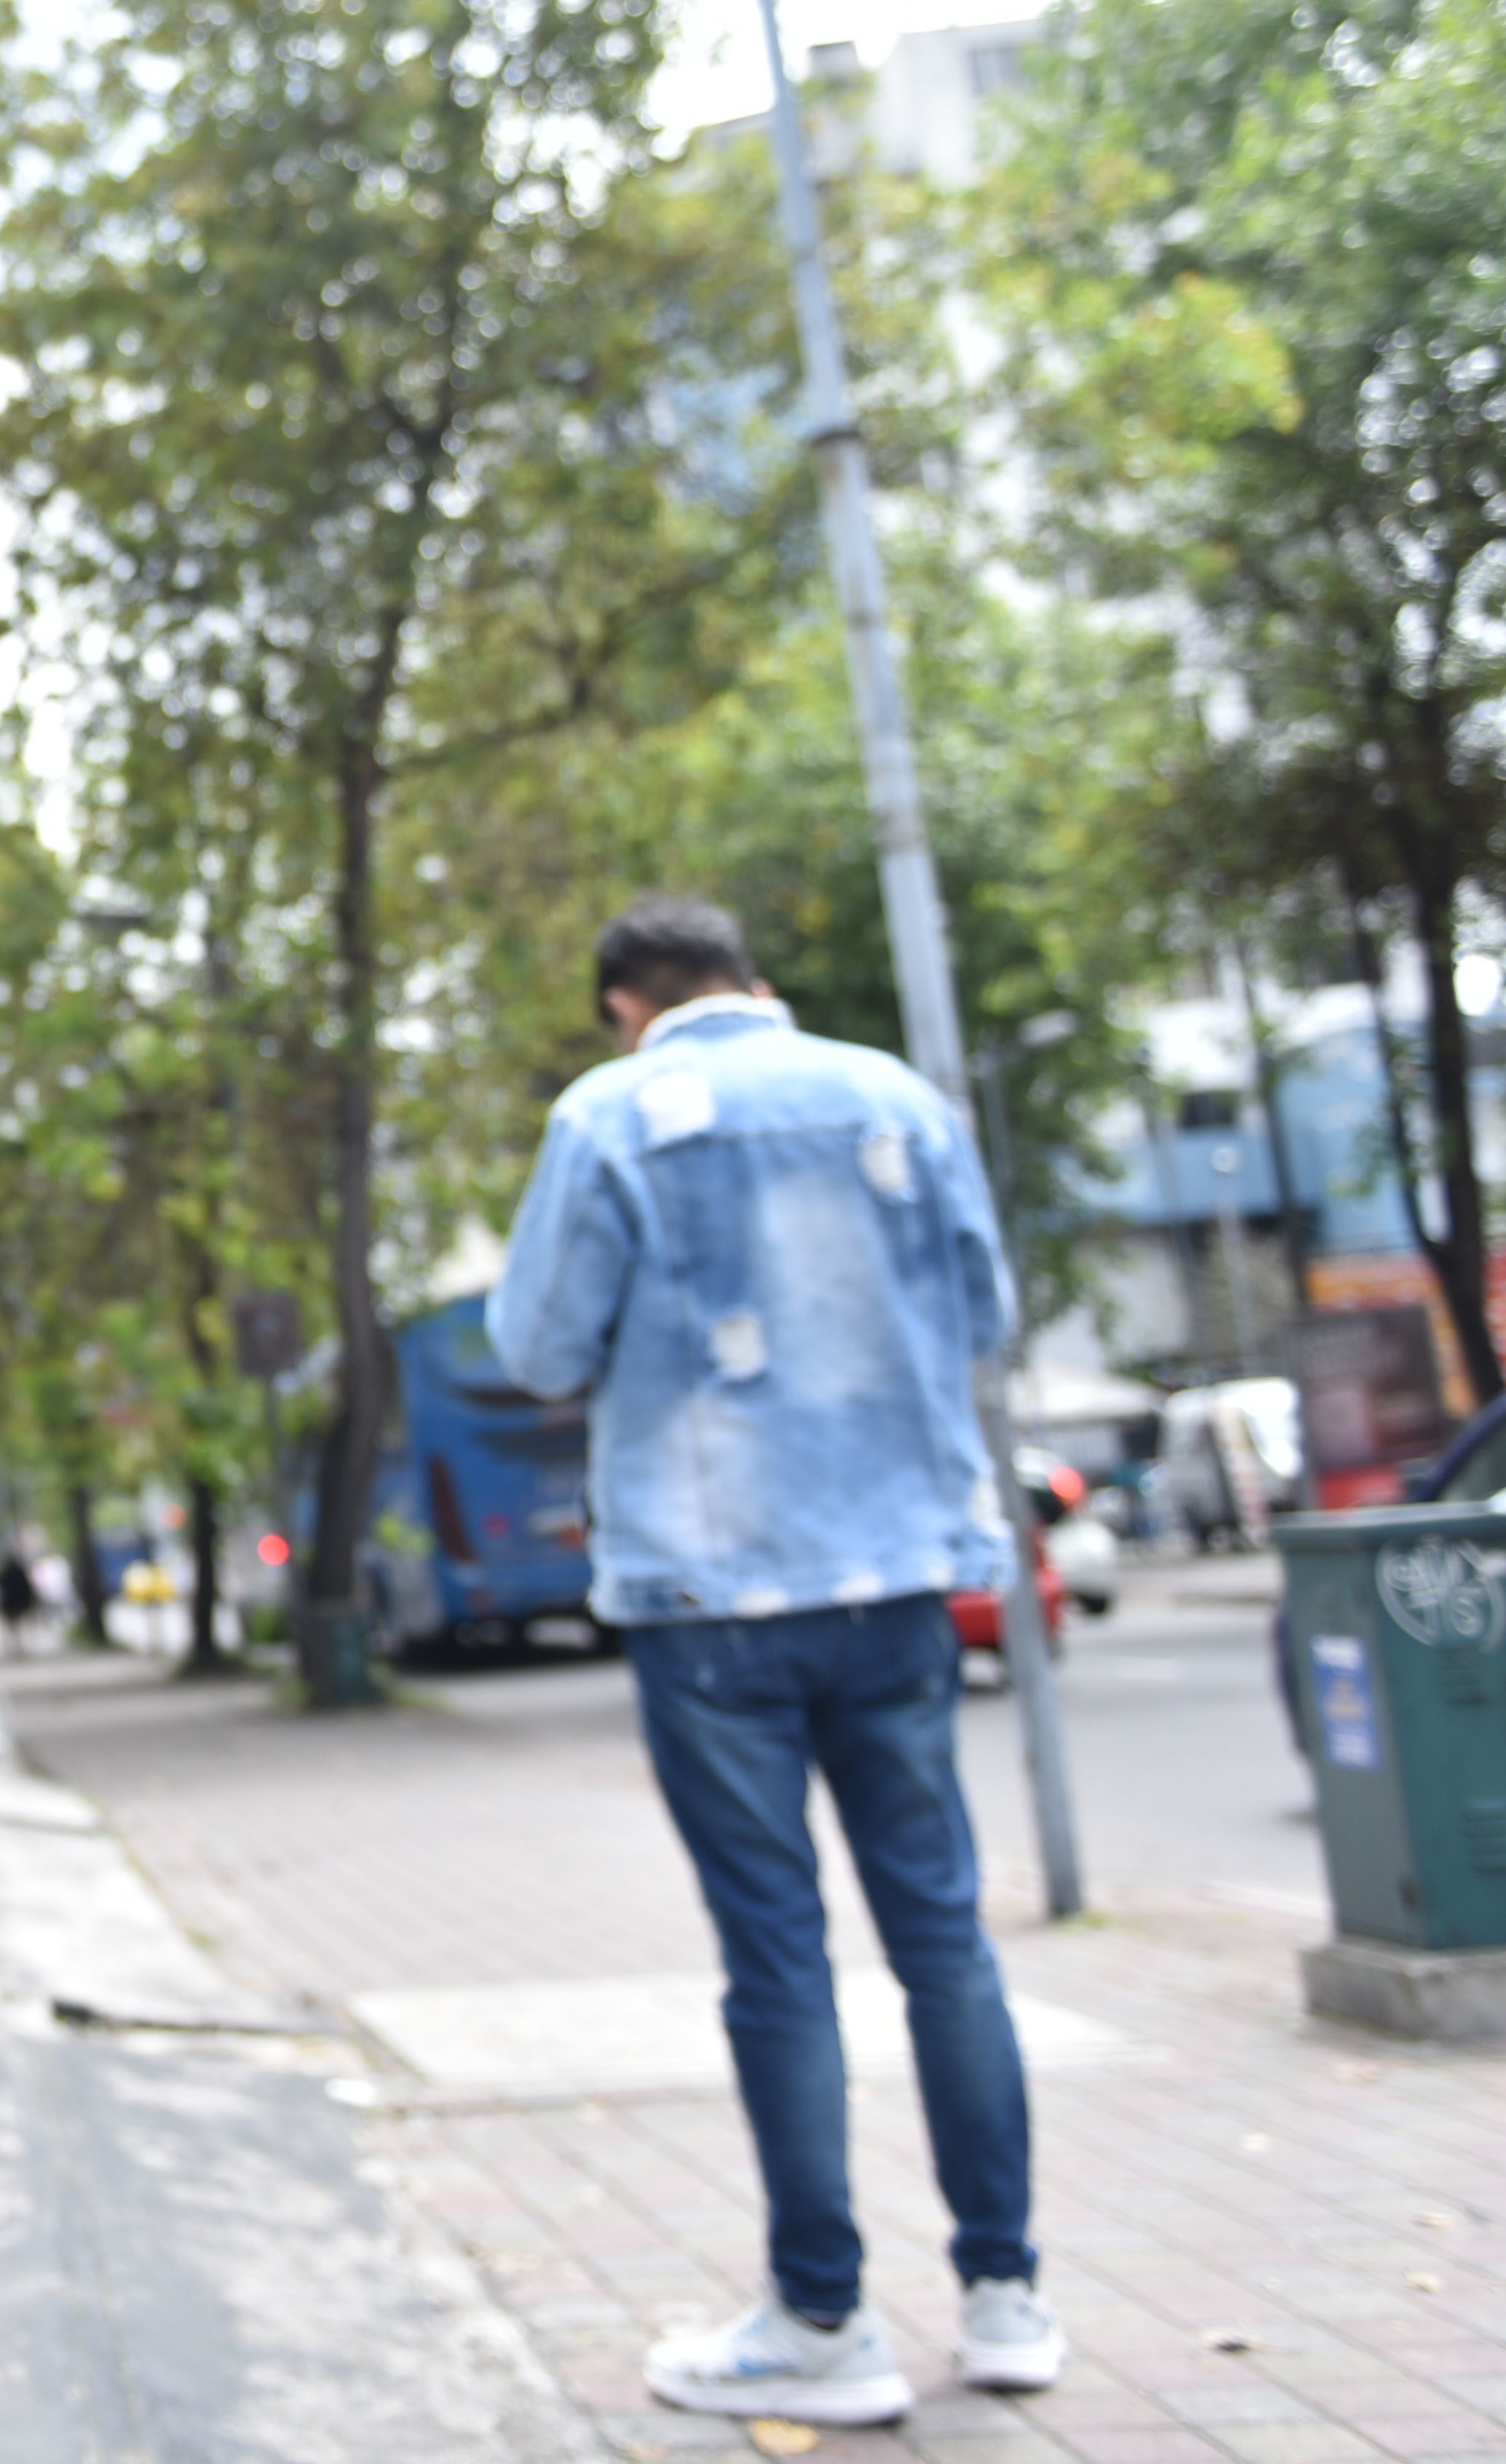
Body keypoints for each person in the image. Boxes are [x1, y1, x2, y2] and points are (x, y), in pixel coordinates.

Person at [483, 893, 1063, 2426]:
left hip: (709, 1587)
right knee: (942, 1937)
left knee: (777, 1956)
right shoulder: (895, 1098)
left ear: (625, 1003)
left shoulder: (610, 1115)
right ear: (756, 982)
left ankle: (823, 2319)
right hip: (894, 1577)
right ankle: (1004, 2298)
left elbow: (536, 1346)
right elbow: (985, 1314)